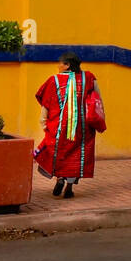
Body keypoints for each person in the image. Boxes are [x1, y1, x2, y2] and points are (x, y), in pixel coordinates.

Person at [33, 53, 105, 198]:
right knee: (77, 155)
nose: (58, 66)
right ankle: (69, 187)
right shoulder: (89, 78)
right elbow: (98, 100)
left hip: (59, 127)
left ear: (67, 65)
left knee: (59, 152)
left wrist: (43, 122)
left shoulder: (53, 81)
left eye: (60, 63)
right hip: (83, 128)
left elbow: (46, 104)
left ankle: (60, 178)